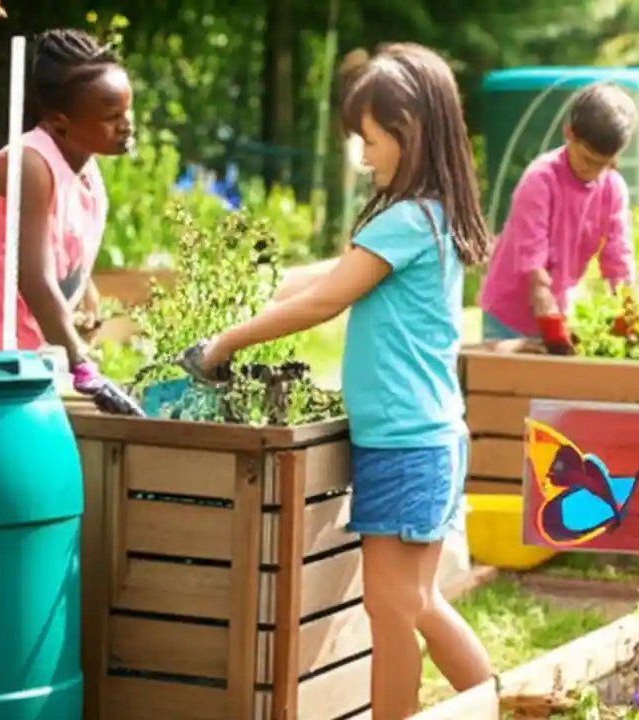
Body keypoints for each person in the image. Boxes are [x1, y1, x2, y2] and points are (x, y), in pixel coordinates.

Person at [186, 43, 494, 718]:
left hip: (408, 444)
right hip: (424, 436)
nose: (364, 155)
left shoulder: (409, 217)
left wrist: (227, 341)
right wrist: (254, 294)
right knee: (416, 603)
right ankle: (495, 704)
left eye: (371, 139)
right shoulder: (425, 214)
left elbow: (328, 299)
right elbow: (332, 273)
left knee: (394, 610)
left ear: (410, 132)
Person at [0, 28, 140, 414]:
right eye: (111, 116)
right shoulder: (30, 165)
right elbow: (33, 278)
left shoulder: (87, 172)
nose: (127, 124)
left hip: (21, 359)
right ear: (59, 122)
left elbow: (68, 256)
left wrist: (85, 302)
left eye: (128, 110)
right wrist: (81, 362)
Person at [478, 81, 639, 354]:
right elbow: (532, 254)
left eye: (603, 163)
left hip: (558, 309)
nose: (592, 170)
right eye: (587, 158)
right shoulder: (541, 179)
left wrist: (627, 311)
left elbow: (618, 257)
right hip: (509, 314)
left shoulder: (612, 188)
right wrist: (545, 306)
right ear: (569, 134)